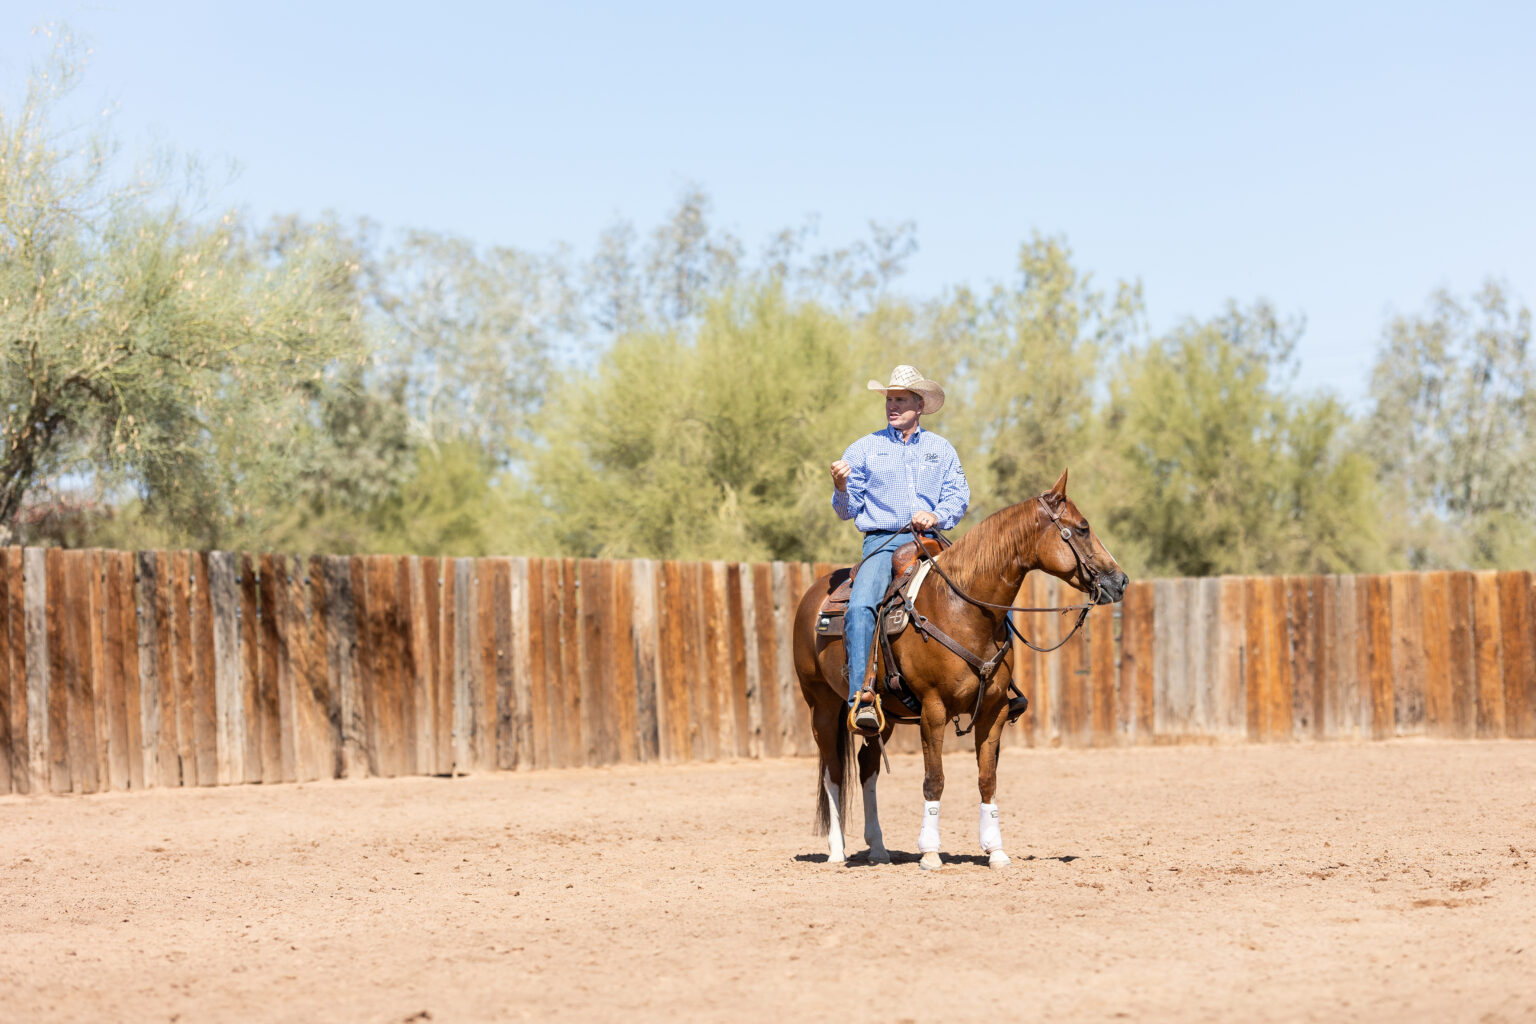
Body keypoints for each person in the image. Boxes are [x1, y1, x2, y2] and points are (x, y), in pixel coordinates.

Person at [830, 365, 970, 731]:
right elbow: (846, 510)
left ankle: (1003, 683)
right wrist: (841, 487)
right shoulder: (864, 449)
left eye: (901, 400)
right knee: (860, 606)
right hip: (882, 541)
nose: (892, 406)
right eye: (889, 400)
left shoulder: (941, 450)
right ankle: (862, 698)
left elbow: (958, 496)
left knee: (982, 588)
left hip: (931, 539)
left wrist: (936, 514)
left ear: (919, 405)